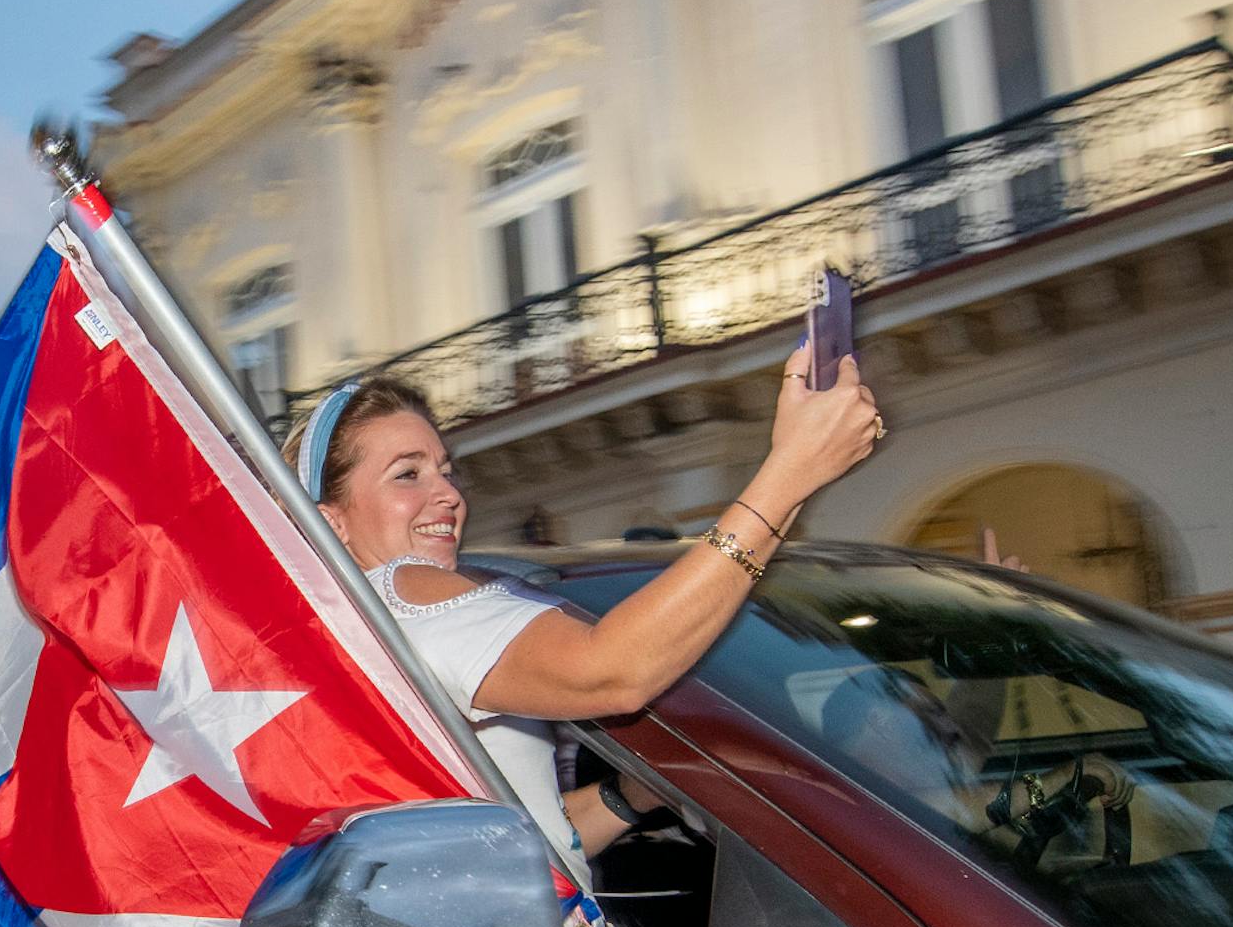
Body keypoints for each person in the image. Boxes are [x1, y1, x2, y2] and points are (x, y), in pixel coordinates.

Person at [284, 345, 883, 877]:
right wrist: (789, 474)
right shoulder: (401, 594)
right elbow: (612, 670)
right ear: (329, 519)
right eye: (406, 474)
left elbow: (514, 845)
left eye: (445, 469)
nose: (448, 494)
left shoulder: (353, 634)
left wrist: (630, 797)